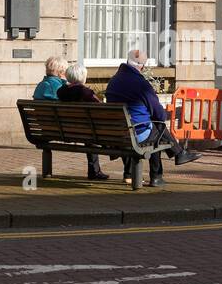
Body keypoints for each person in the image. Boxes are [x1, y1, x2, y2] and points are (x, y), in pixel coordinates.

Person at [105, 49, 201, 186]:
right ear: (142, 67)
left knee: (146, 127)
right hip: (137, 133)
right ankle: (158, 175)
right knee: (157, 129)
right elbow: (160, 115)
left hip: (117, 133)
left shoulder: (113, 81)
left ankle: (129, 173)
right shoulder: (141, 84)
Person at [57, 63, 109, 180]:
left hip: (68, 130)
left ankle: (94, 171)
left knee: (90, 134)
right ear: (82, 77)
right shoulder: (86, 93)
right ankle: (126, 172)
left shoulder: (61, 92)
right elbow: (102, 110)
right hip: (89, 130)